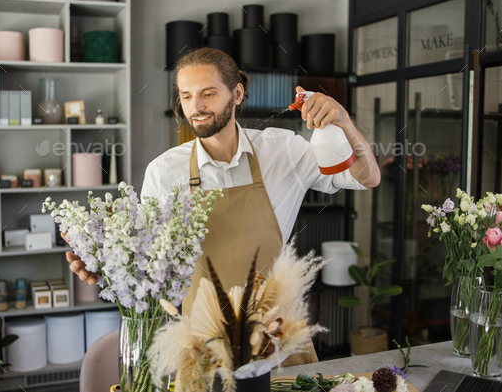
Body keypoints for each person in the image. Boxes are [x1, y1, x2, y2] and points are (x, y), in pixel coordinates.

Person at [64, 47, 380, 366]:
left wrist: (343, 121)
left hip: (278, 339)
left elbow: (368, 177)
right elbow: (149, 264)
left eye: (208, 93)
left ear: (237, 93)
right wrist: (105, 265)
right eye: (186, 96)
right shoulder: (164, 172)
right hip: (204, 345)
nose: (196, 107)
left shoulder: (283, 150)